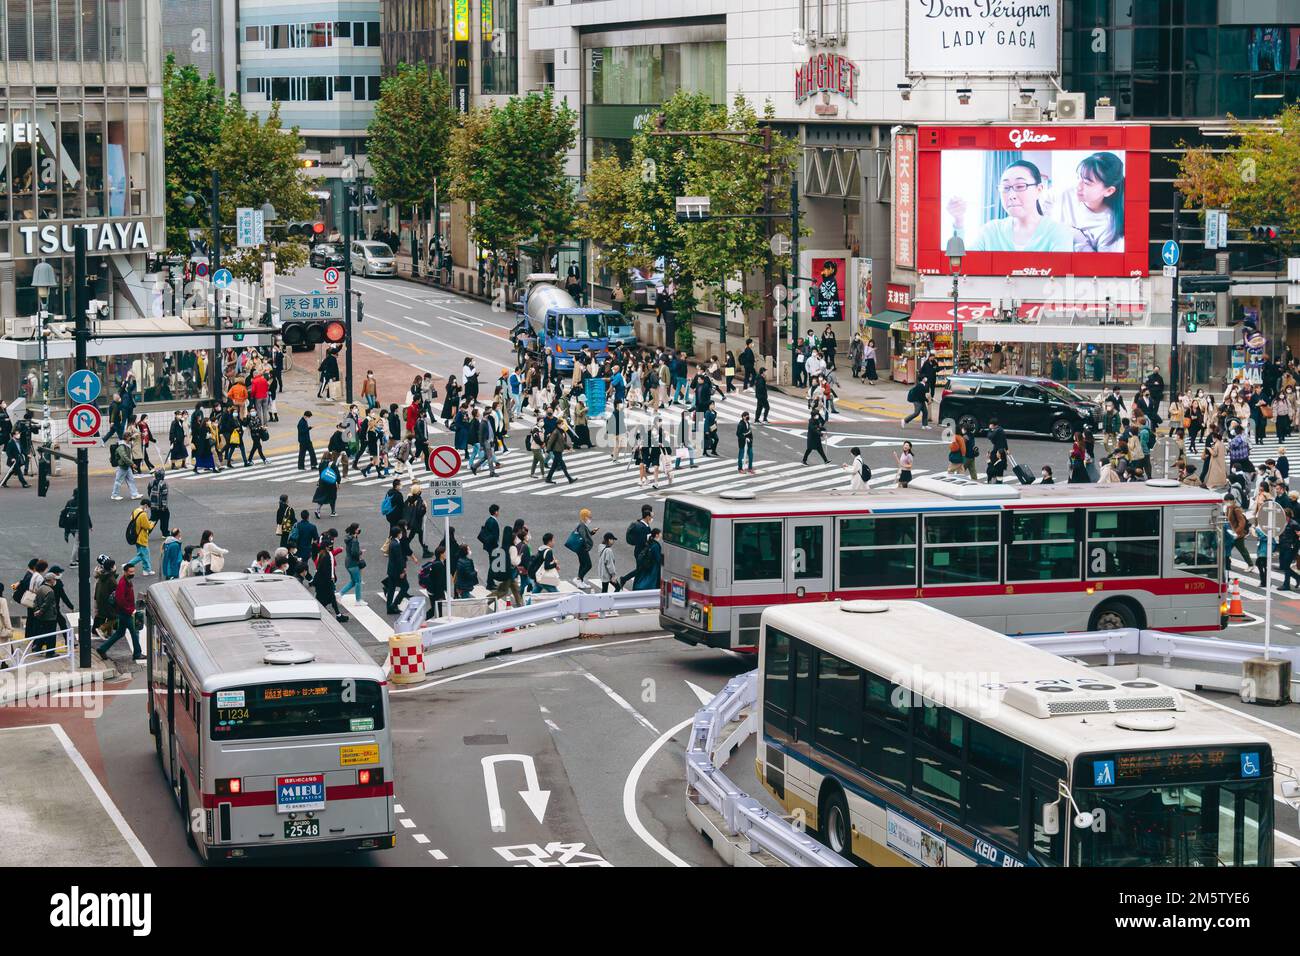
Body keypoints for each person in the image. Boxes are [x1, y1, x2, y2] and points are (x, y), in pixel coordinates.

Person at [948, 159, 1074, 252]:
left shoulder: (1059, 233)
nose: (1011, 195)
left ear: (1039, 189)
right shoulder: (991, 231)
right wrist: (958, 220)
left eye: (1020, 186)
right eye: (1006, 187)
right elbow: (959, 265)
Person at [1054, 151, 1126, 253]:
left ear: (1108, 191)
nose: (1078, 186)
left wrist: (1078, 238)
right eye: (1078, 177)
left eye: (1087, 183)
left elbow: (1101, 266)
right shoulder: (1066, 194)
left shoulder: (1110, 227)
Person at [97, 563, 144, 662]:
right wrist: (130, 610)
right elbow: (120, 599)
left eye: (133, 571)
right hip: (125, 613)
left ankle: (102, 648)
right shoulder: (123, 583)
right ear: (125, 572)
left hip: (124, 612)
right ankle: (137, 653)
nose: (132, 573)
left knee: (120, 633)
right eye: (130, 572)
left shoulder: (127, 581)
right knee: (134, 632)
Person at [313, 536, 350, 623]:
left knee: (329, 597)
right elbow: (327, 570)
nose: (331, 546)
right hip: (325, 581)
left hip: (321, 581)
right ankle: (337, 615)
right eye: (330, 545)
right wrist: (331, 579)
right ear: (326, 547)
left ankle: (338, 614)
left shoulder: (322, 554)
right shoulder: (326, 556)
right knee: (324, 598)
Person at [124, 502, 155, 575]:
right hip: (141, 537)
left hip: (135, 536)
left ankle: (145, 569)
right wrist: (152, 523)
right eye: (148, 508)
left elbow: (132, 519)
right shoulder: (143, 514)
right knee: (145, 554)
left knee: (142, 554)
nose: (148, 510)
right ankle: (145, 569)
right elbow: (147, 526)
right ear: (146, 505)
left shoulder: (135, 511)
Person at [571, 508, 596, 589]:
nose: (590, 518)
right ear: (585, 517)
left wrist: (592, 532)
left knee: (582, 564)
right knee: (588, 565)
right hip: (582, 548)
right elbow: (583, 536)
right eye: (589, 516)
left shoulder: (582, 525)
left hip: (580, 548)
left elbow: (585, 535)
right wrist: (587, 544)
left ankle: (580, 581)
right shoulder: (582, 525)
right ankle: (578, 579)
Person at [340, 523, 365, 603]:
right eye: (358, 529)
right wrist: (360, 553)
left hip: (348, 562)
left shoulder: (349, 538)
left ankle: (340, 594)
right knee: (358, 581)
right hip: (353, 563)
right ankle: (358, 600)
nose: (359, 530)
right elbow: (354, 553)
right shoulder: (354, 540)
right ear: (355, 530)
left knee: (353, 581)